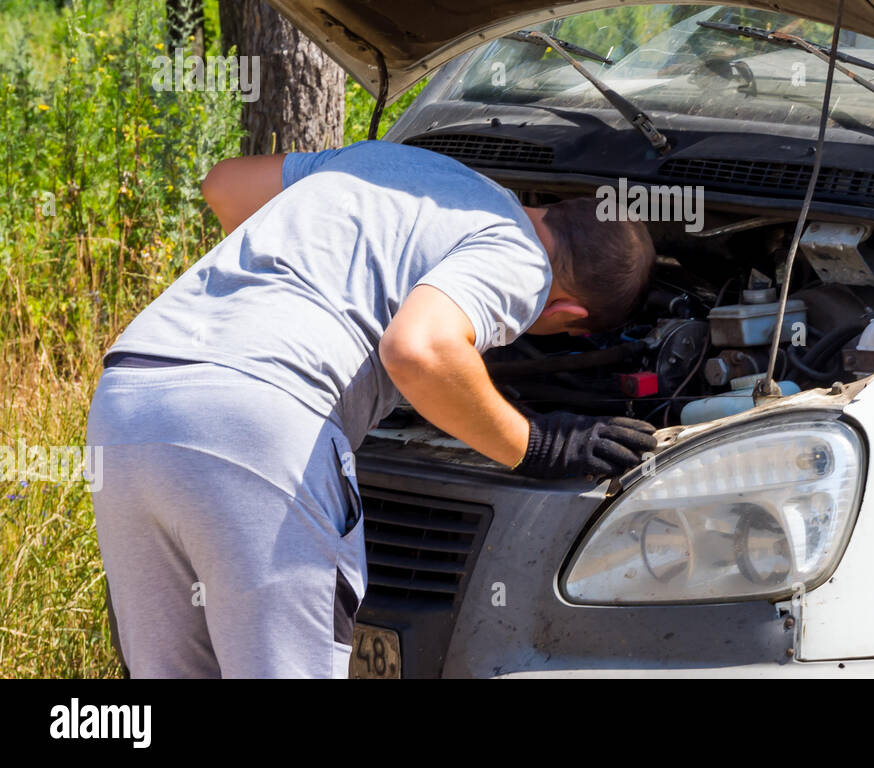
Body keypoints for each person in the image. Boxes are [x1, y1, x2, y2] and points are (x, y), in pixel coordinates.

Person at [87, 139, 658, 678]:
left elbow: (224, 184)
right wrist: (536, 445)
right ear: (567, 315)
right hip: (257, 419)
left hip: (132, 397)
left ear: (551, 209)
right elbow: (419, 351)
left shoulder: (393, 165)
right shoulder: (523, 258)